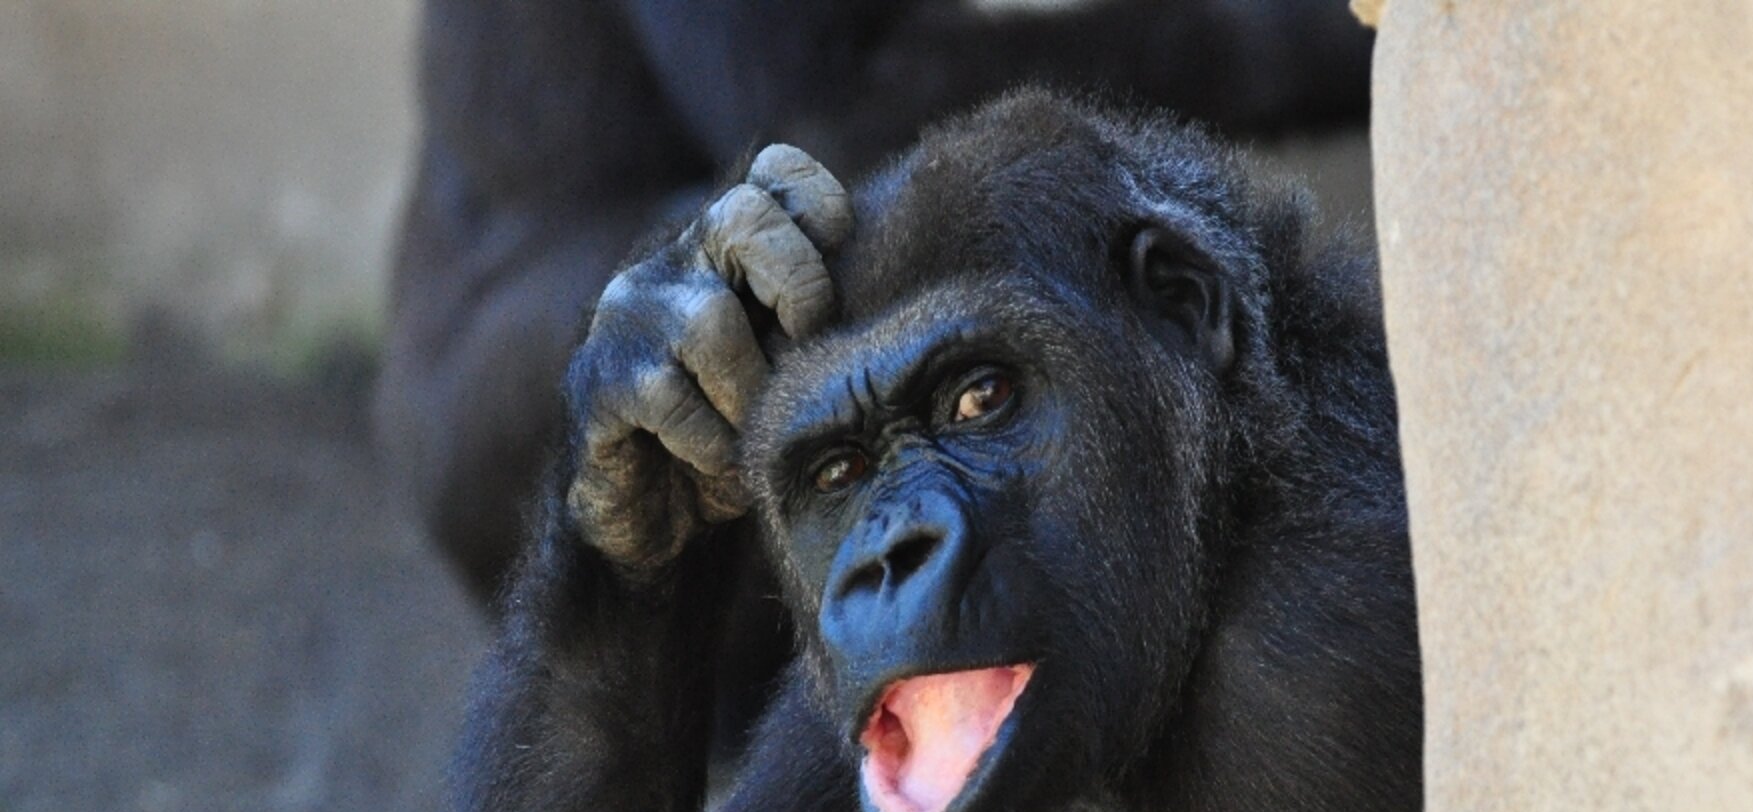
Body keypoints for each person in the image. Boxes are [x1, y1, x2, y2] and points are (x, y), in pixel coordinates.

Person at [376, 0, 1377, 608]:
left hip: (593, 297)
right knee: (803, 235)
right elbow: (829, 115)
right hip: (528, 354)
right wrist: (1272, 45)